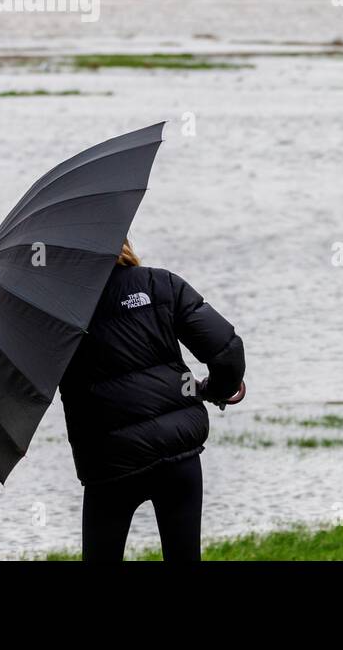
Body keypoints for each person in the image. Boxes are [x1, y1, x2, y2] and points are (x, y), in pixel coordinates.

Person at [57, 240, 245, 561]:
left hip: (110, 466)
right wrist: (216, 389)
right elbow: (226, 352)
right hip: (177, 454)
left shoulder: (59, 316)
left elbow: (29, 384)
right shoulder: (160, 285)